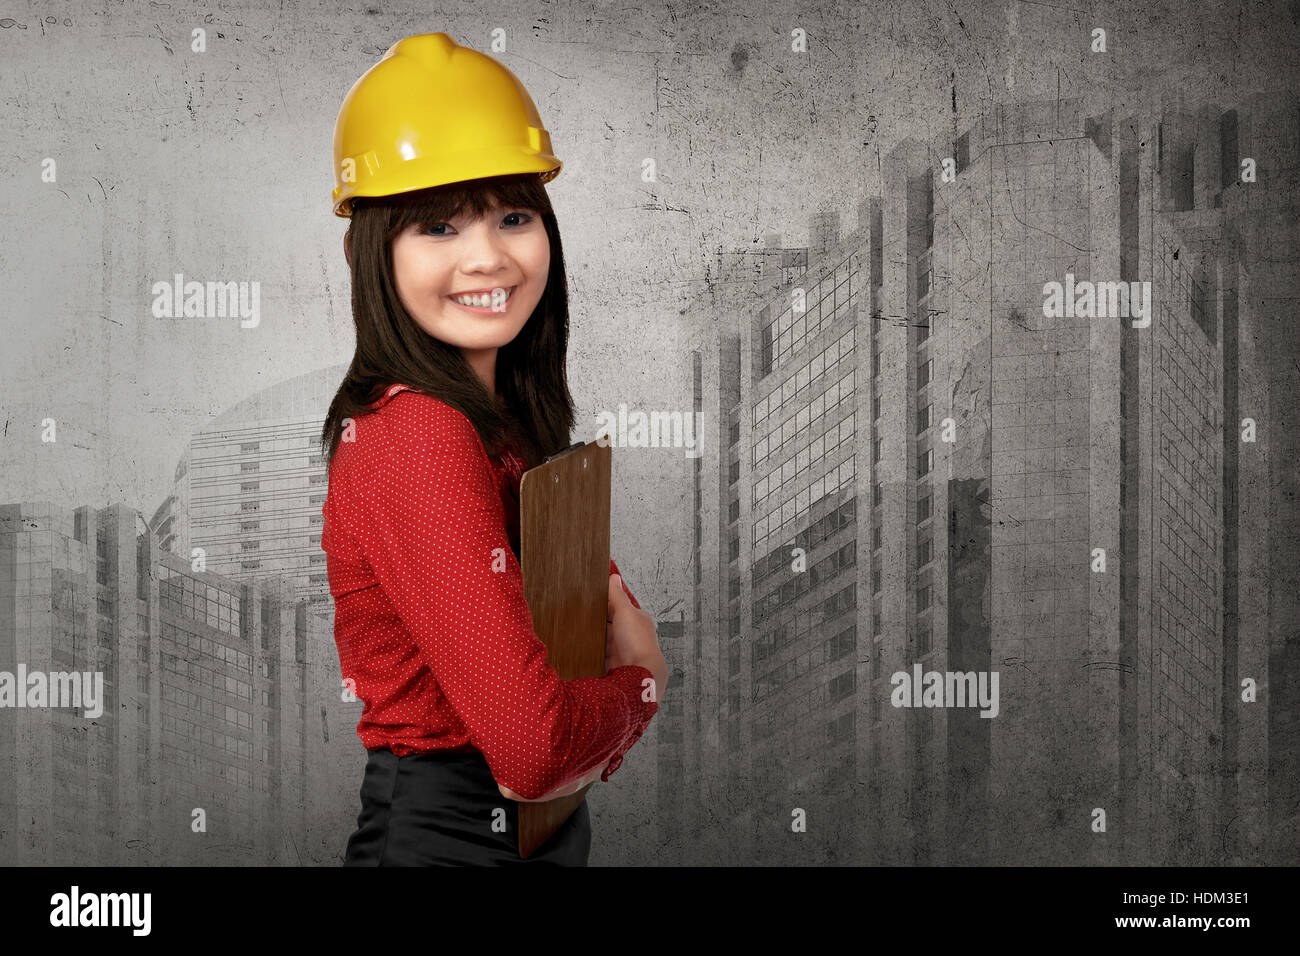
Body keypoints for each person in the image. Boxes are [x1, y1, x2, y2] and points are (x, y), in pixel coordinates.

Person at [318, 32, 668, 866]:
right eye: (437, 226)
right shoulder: (416, 435)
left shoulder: (497, 424)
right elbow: (534, 749)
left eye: (514, 215)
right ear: (371, 252)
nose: (488, 257)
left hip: (522, 838)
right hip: (448, 837)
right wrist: (643, 684)